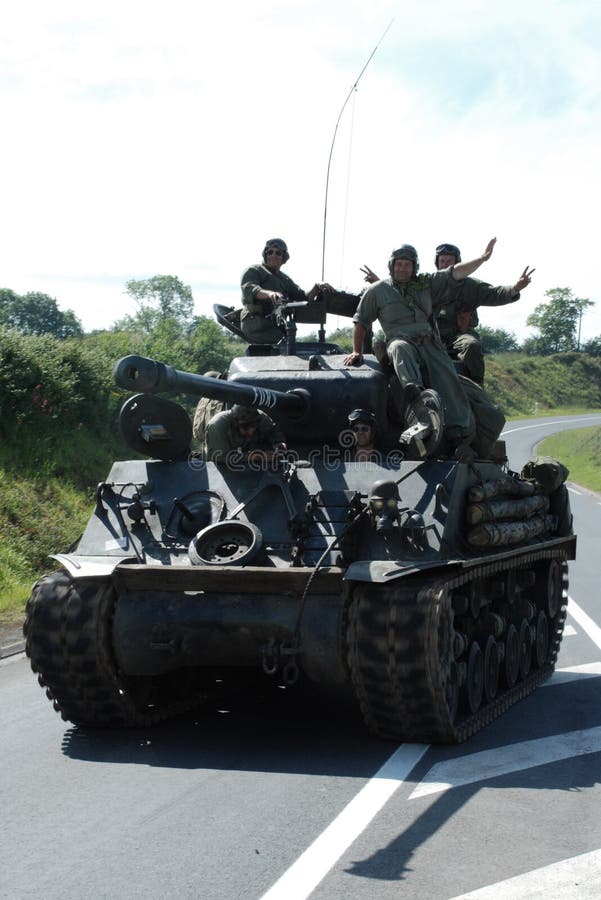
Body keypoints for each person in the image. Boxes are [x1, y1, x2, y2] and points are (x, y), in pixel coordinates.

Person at [344, 240, 497, 450]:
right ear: (391, 265)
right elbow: (361, 321)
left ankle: (459, 431)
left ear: (414, 267)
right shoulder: (377, 290)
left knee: (450, 384)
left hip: (430, 344)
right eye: (399, 264)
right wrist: (356, 351)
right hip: (400, 340)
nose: (403, 268)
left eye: (408, 264)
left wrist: (482, 258)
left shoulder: (425, 283)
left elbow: (455, 273)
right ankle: (414, 391)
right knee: (399, 348)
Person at [433, 243, 534, 384]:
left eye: (449, 261)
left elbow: (495, 294)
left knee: (472, 345)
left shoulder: (471, 286)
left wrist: (516, 288)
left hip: (459, 335)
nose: (445, 265)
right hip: (432, 336)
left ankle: (477, 388)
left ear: (458, 263)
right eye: (442, 261)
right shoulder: (428, 284)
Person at [240, 238, 331, 344]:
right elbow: (251, 289)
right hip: (255, 323)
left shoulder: (284, 279)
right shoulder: (254, 271)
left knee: (290, 345)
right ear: (265, 254)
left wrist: (317, 287)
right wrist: (270, 294)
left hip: (276, 325)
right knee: (284, 345)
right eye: (270, 252)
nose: (273, 255)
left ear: (284, 258)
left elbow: (303, 298)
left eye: (278, 253)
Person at [204, 404, 287, 466]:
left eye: (253, 428)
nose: (250, 433)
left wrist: (279, 443)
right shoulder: (217, 425)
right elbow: (220, 456)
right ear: (236, 424)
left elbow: (273, 431)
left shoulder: (259, 417)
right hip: (220, 467)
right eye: (246, 429)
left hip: (252, 466)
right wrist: (255, 456)